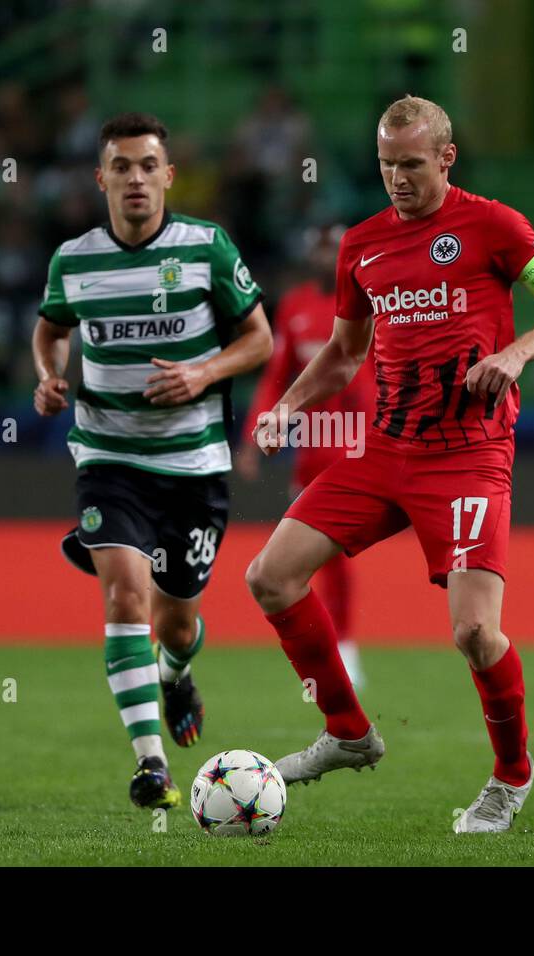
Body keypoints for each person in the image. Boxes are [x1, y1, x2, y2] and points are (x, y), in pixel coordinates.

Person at [245, 96, 534, 833]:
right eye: (385, 165)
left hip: (468, 456)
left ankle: (510, 775)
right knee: (270, 578)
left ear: (445, 157)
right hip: (384, 447)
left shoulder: (495, 225)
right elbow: (343, 355)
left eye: (410, 163)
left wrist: (515, 352)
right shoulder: (362, 245)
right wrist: (286, 409)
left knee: (473, 633)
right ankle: (347, 731)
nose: (397, 179)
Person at [32, 113, 273, 810]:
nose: (135, 178)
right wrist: (48, 375)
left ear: (167, 176)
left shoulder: (207, 248)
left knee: (176, 622)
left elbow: (259, 339)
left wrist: (203, 373)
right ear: (100, 178)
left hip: (195, 468)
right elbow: (50, 329)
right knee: (125, 595)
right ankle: (150, 765)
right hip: (109, 457)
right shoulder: (73, 260)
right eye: (122, 166)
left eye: (147, 165)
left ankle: (175, 674)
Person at [236, 223, 375, 685]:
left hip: (361, 444)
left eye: (335, 249)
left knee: (338, 556)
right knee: (312, 557)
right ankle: (331, 646)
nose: (328, 257)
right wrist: (256, 434)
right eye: (321, 249)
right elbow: (276, 375)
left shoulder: (371, 304)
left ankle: (347, 642)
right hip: (313, 447)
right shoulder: (295, 306)